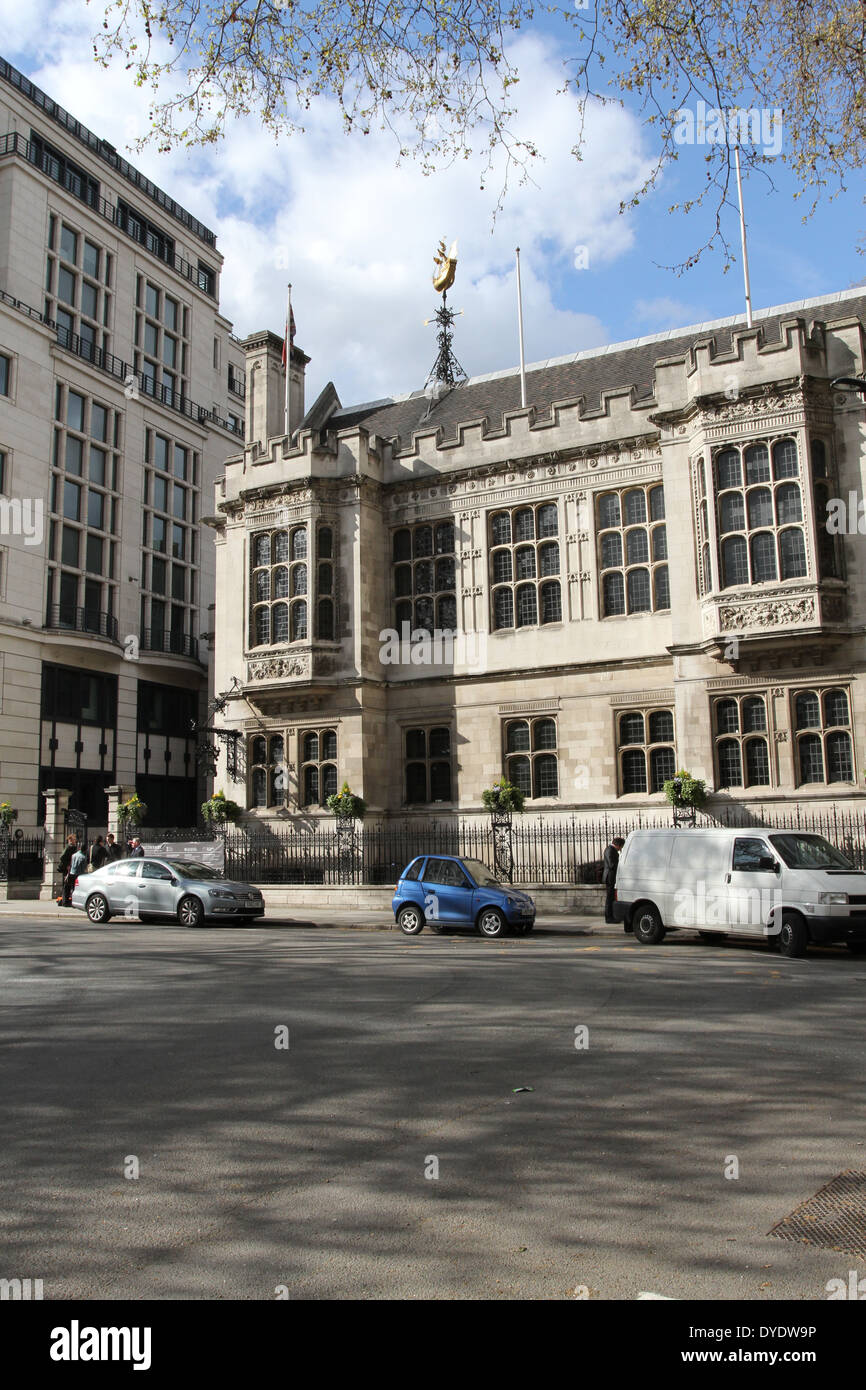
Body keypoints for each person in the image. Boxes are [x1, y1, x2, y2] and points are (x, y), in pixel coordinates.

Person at [602, 836, 626, 924]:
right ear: (618, 845)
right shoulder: (609, 850)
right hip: (610, 877)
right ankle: (608, 918)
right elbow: (612, 864)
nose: (620, 849)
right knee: (609, 898)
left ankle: (612, 916)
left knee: (611, 897)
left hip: (612, 877)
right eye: (621, 847)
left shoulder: (612, 850)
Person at [58, 835, 78, 907]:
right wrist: (67, 865)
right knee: (67, 885)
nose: (75, 840)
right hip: (68, 869)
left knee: (69, 884)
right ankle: (65, 902)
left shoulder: (72, 847)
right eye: (74, 839)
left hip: (70, 868)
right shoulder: (69, 847)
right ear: (70, 840)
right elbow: (62, 857)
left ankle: (66, 901)